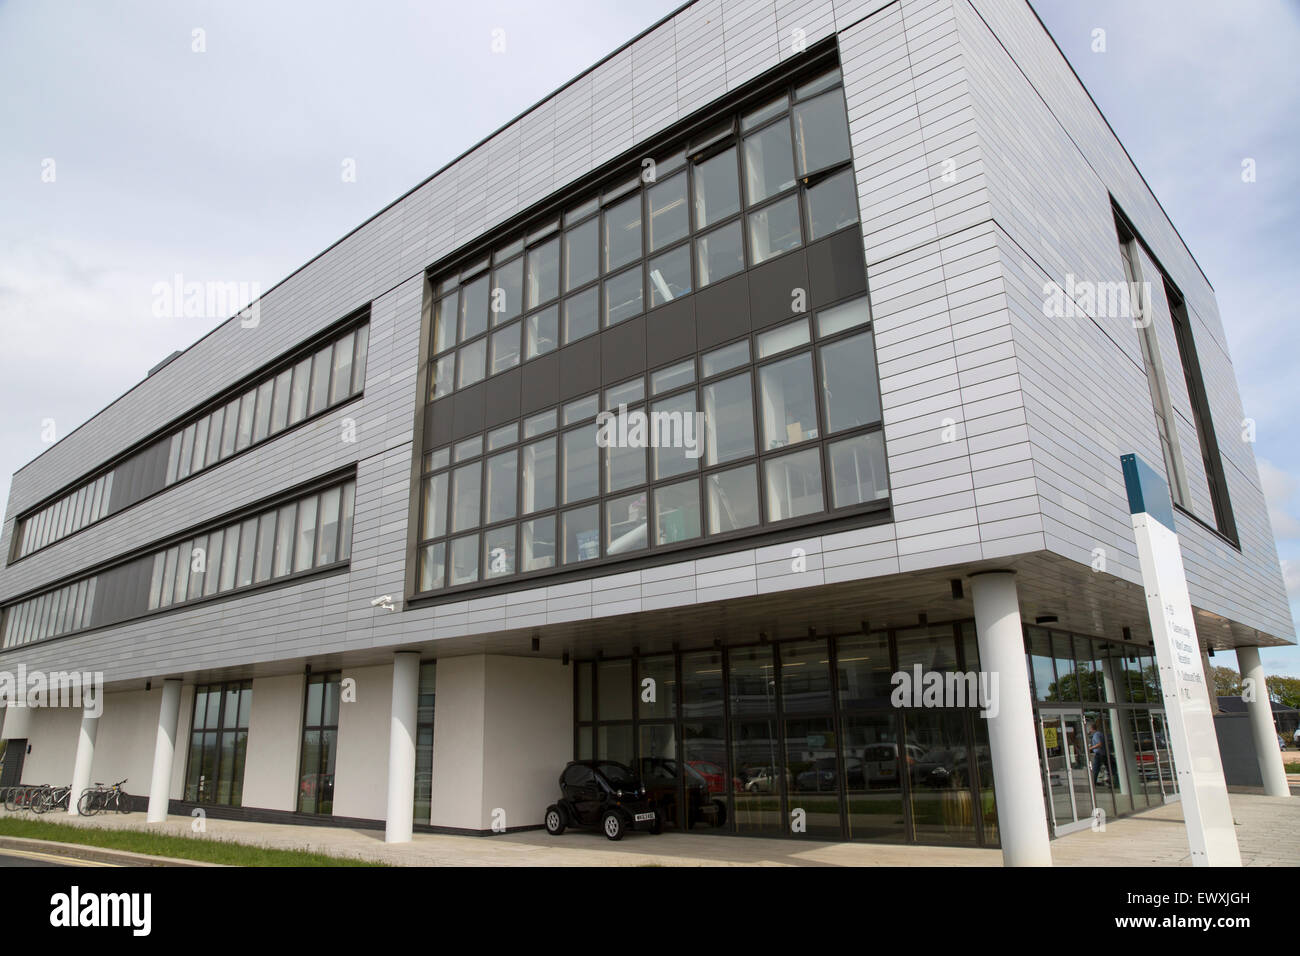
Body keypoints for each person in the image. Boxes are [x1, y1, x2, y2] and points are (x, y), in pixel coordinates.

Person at [1089, 721, 1108, 786]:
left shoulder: (1096, 735)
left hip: (1099, 754)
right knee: (1108, 768)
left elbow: (1099, 744)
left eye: (1090, 729)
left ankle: (1093, 784)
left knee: (1095, 769)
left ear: (1092, 729)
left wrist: (1090, 748)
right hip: (1104, 753)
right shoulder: (1100, 733)